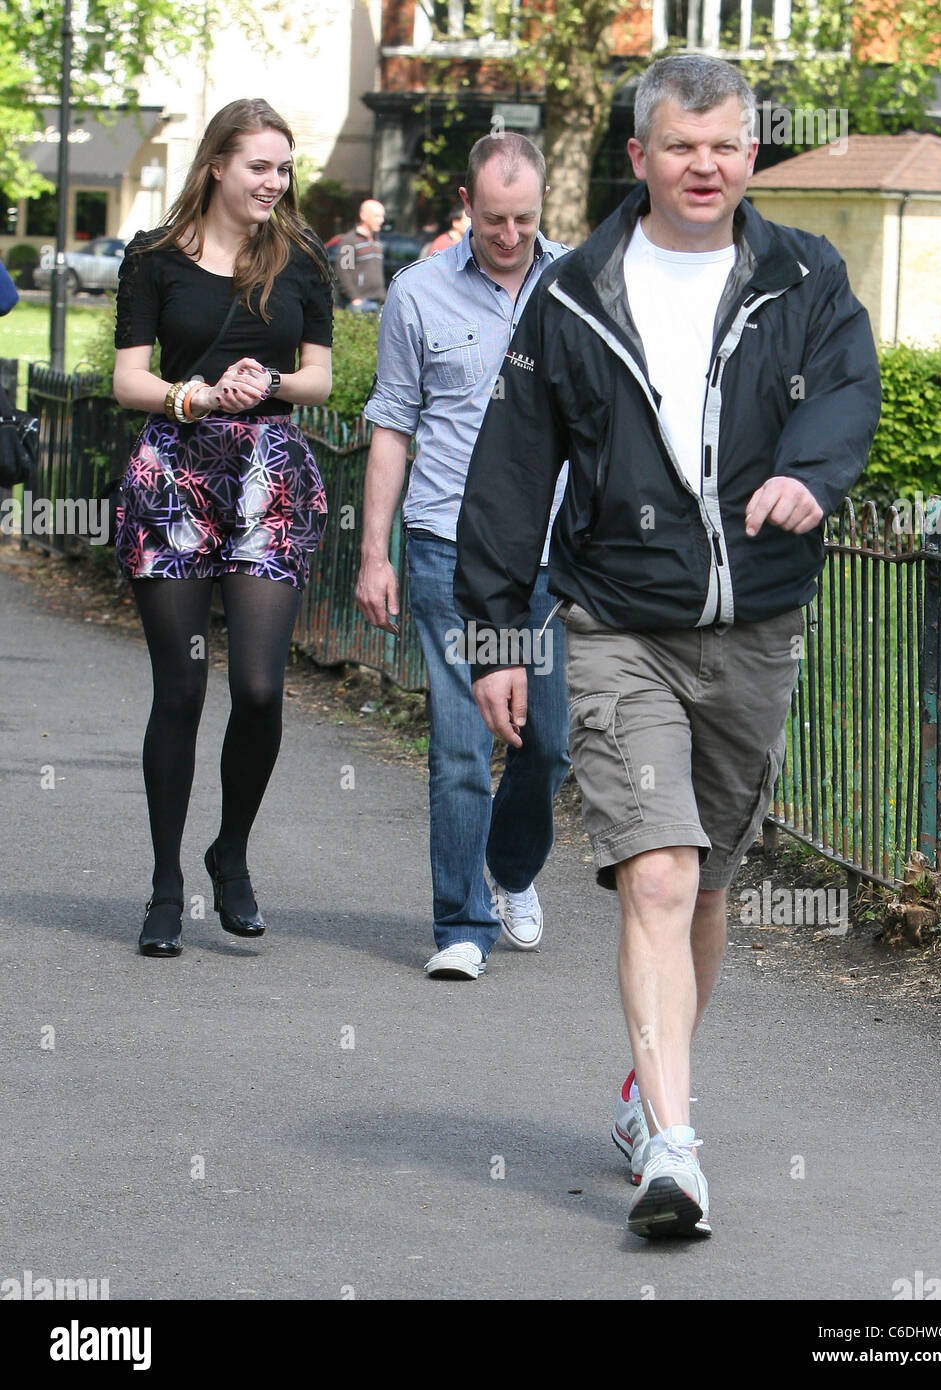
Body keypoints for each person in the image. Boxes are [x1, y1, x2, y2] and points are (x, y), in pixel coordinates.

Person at [455, 55, 880, 1230]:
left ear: (751, 154)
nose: (707, 165)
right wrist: (497, 635)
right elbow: (506, 471)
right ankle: (675, 1156)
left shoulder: (802, 272)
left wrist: (809, 472)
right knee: (656, 868)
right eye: (682, 145)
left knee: (705, 883)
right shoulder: (574, 292)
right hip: (615, 624)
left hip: (754, 623)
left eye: (727, 144)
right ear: (637, 155)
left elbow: (847, 386)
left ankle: (649, 1088)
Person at [112, 97, 333, 958]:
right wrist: (191, 395)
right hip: (173, 474)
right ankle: (166, 885)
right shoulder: (155, 259)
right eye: (259, 167)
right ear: (216, 167)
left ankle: (228, 852)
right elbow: (129, 378)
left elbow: (318, 378)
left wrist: (265, 383)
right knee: (180, 689)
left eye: (283, 168)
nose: (274, 183)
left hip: (268, 477)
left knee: (258, 687)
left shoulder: (301, 259)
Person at [356, 132, 572, 980]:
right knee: (458, 741)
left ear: (542, 205)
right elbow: (390, 429)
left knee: (543, 744)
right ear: (464, 203)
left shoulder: (579, 287)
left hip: (549, 556)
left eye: (523, 219)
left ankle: (511, 869)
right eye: (492, 219)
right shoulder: (417, 295)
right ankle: (459, 922)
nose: (509, 235)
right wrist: (373, 552)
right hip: (447, 543)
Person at [332, 199, 386, 311]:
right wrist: (354, 298)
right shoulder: (350, 240)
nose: (381, 220)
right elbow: (343, 271)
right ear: (363, 216)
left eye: (382, 216)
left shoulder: (377, 240)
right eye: (377, 216)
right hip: (359, 304)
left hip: (378, 300)